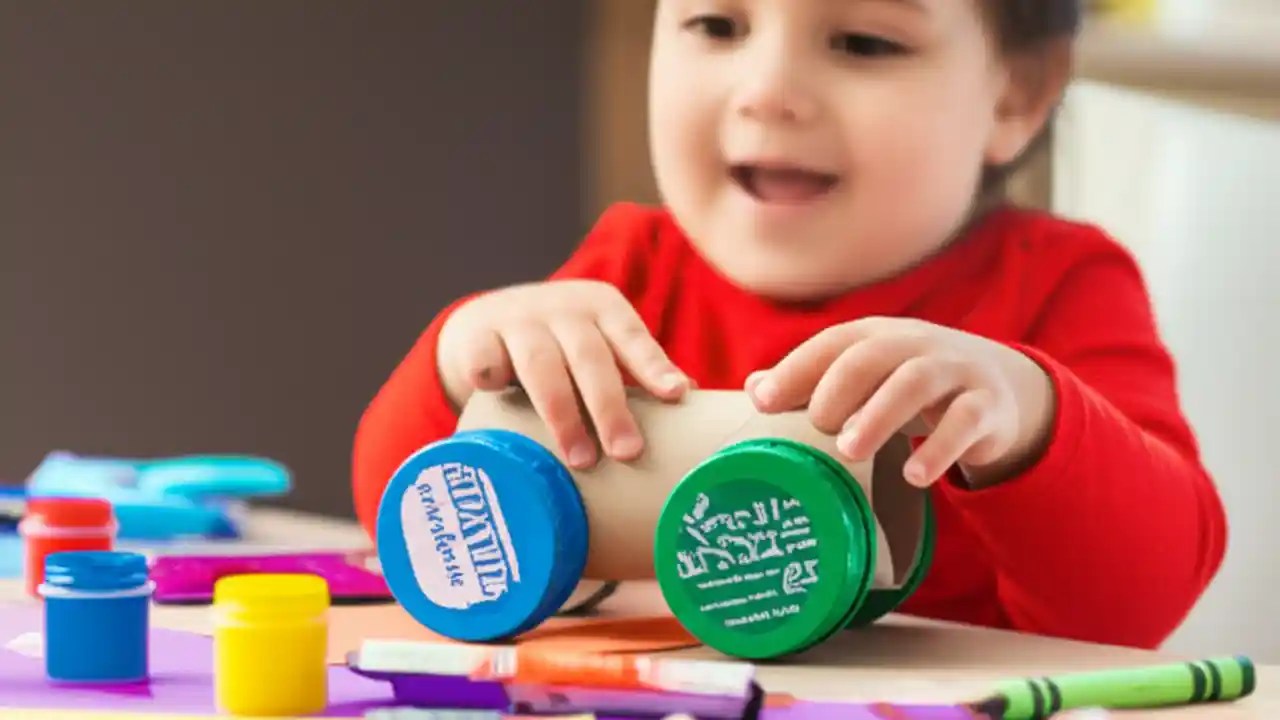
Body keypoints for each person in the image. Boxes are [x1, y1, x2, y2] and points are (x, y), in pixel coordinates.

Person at [351, 0, 1226, 650]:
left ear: (1017, 96)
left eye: (863, 41)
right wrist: (464, 360)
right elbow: (415, 537)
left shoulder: (1060, 284)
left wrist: (1030, 417)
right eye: (716, 26)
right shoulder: (629, 270)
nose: (768, 93)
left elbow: (1142, 602)